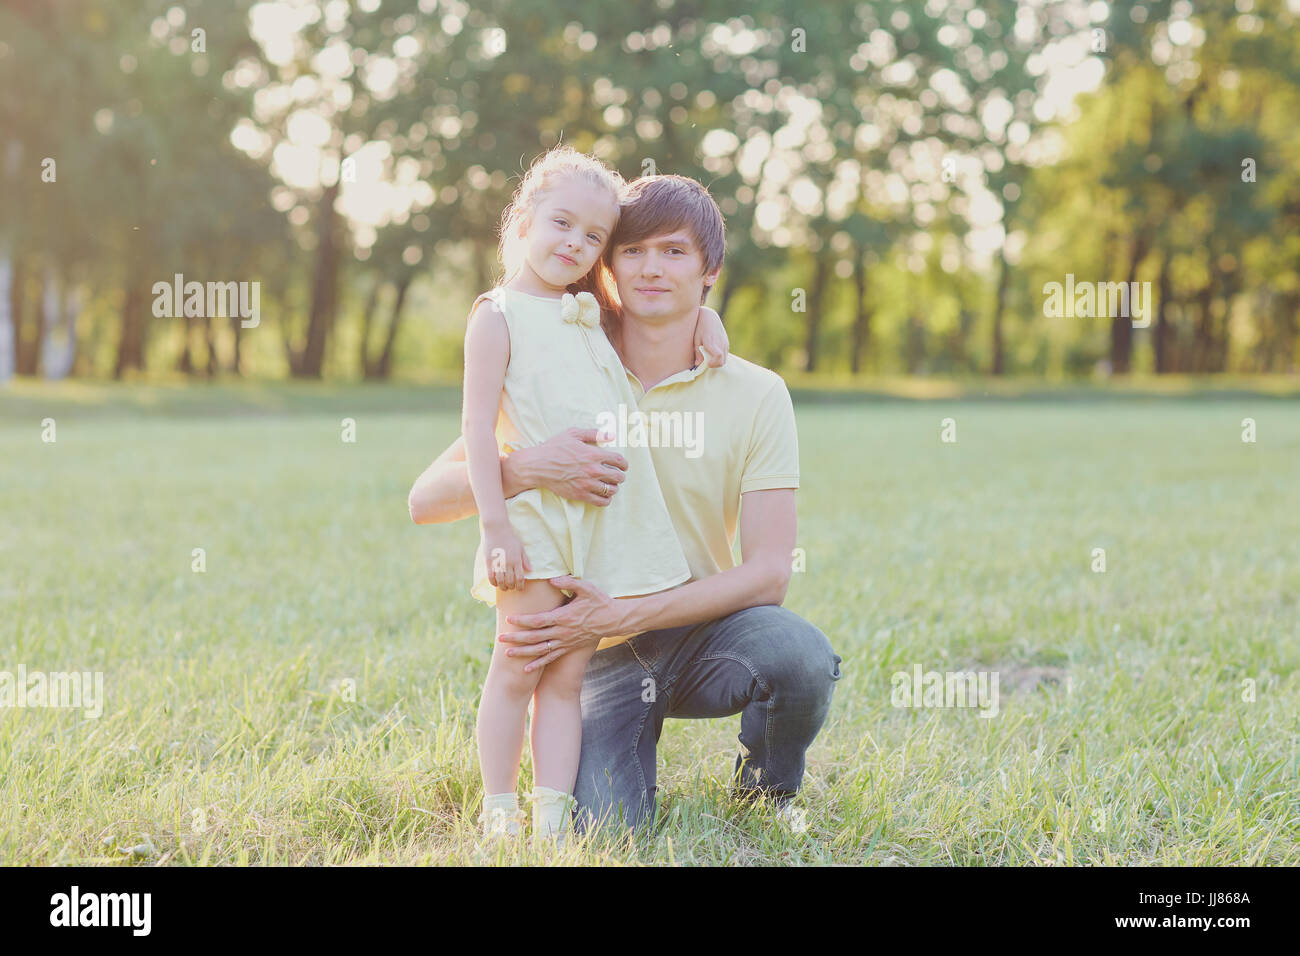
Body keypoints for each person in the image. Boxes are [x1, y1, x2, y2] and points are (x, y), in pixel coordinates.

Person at [411, 173, 842, 836]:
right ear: (607, 268)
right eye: (632, 251)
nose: (650, 269)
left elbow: (769, 575)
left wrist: (623, 609)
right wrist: (528, 467)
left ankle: (768, 793)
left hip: (701, 627)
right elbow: (426, 500)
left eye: (674, 253)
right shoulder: (565, 358)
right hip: (596, 648)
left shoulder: (755, 393)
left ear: (709, 273)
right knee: (610, 830)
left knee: (799, 654)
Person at [457, 147, 729, 847]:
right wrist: (494, 527)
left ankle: (550, 818)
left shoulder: (588, 314)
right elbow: (477, 432)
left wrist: (707, 318)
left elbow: (662, 314)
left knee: (566, 677)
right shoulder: (498, 316)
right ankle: (499, 812)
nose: (574, 244)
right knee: (517, 666)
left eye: (592, 238)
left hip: (599, 528)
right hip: (535, 527)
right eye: (561, 224)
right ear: (523, 219)